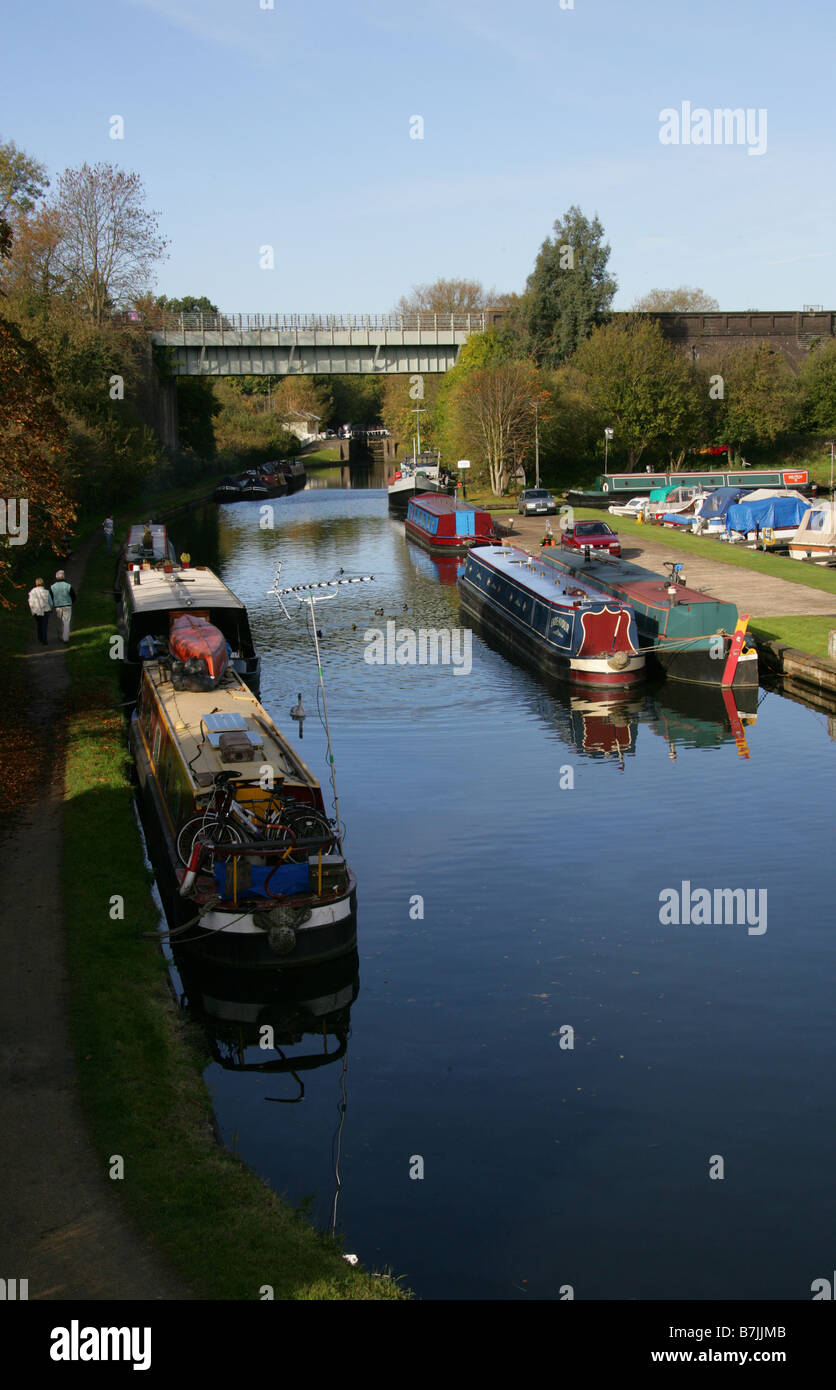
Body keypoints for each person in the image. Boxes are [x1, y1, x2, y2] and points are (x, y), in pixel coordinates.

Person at [50, 570, 76, 644]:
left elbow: (50, 597)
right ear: (64, 577)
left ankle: (61, 635)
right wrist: (72, 602)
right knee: (66, 622)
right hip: (67, 605)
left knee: (60, 621)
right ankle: (65, 638)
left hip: (58, 606)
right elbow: (73, 596)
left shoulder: (53, 587)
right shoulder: (68, 586)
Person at [28, 577, 53, 645]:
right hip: (45, 610)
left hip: (36, 611)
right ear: (43, 583)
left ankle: (40, 638)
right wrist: (51, 608)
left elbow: (30, 602)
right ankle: (44, 639)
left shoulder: (32, 592)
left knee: (39, 624)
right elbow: (50, 602)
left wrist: (33, 610)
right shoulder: (46, 592)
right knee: (44, 625)